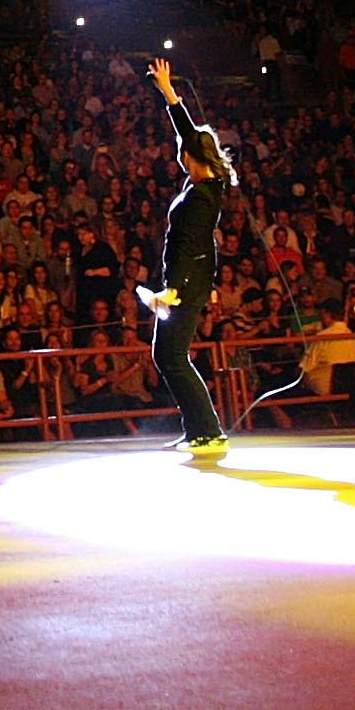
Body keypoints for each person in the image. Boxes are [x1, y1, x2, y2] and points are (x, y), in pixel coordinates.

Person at [132, 58, 231, 459]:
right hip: (185, 282)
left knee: (171, 356)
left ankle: (208, 429)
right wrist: (168, 92)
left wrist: (174, 288)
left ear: (190, 156)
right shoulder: (206, 184)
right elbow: (188, 132)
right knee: (169, 356)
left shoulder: (204, 194)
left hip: (185, 285)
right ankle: (198, 429)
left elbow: (192, 244)